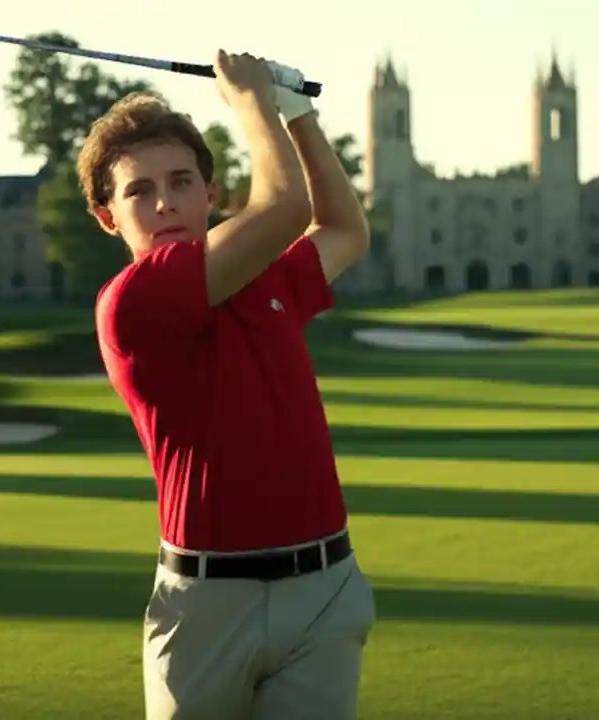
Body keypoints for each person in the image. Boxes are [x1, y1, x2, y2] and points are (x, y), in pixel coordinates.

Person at [78, 49, 375, 719]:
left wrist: (298, 114)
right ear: (107, 217)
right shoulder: (131, 303)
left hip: (324, 589)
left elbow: (345, 230)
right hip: (208, 606)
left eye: (182, 182)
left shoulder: (262, 276)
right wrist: (251, 99)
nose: (164, 202)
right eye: (139, 190)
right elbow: (283, 205)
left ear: (210, 194)